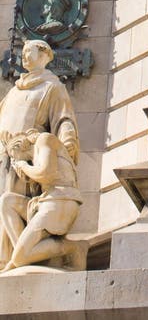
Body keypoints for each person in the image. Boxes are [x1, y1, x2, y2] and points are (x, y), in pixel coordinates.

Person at [0, 40, 79, 269]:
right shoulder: (14, 90)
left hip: (28, 160)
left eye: (29, 52)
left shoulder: (51, 86)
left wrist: (67, 143)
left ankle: (24, 258)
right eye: (22, 52)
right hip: (6, 157)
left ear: (44, 55)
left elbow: (63, 119)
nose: (24, 57)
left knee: (16, 205)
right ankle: (11, 259)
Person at [0, 130, 84, 272]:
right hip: (47, 202)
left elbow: (47, 174)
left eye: (14, 157)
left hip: (61, 202)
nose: (14, 161)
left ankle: (74, 248)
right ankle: (25, 258)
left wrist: (23, 166)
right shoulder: (36, 155)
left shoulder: (45, 140)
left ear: (18, 147)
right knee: (7, 201)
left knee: (19, 258)